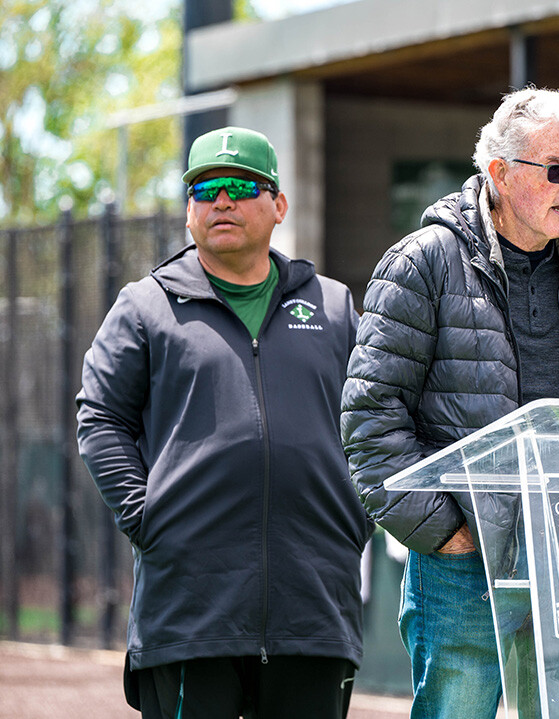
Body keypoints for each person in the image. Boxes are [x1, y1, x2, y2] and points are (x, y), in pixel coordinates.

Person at [340, 88, 559, 719]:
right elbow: (371, 418)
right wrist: (444, 532)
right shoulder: (424, 263)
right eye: (557, 170)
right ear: (500, 174)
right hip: (465, 560)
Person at [76, 126, 372, 719]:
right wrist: (148, 517)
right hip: (191, 609)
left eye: (242, 186)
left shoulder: (336, 307)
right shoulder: (145, 306)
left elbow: (373, 422)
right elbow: (99, 418)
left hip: (312, 606)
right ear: (189, 210)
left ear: (278, 204)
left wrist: (352, 521)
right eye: (205, 188)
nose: (222, 201)